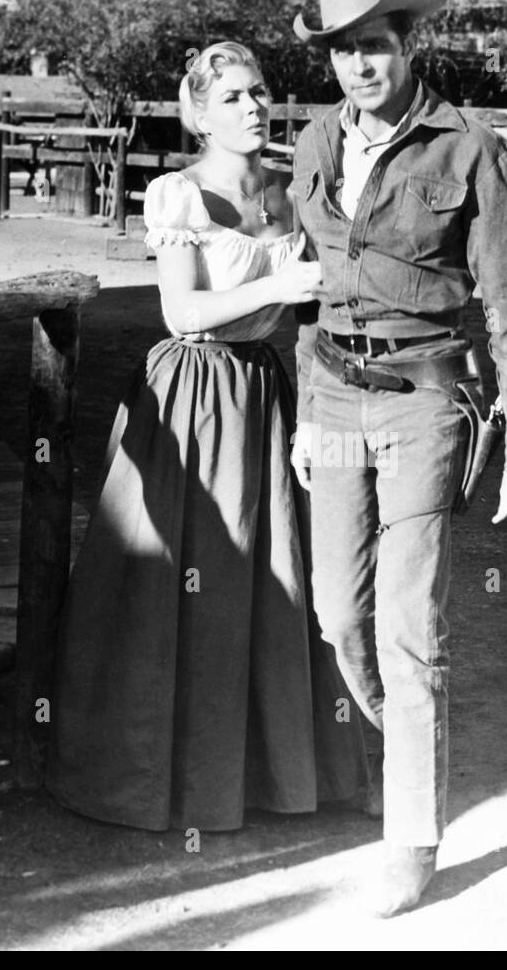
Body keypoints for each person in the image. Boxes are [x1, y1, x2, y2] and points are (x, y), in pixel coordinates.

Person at [46, 41, 367, 832]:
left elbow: (329, 302)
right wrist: (278, 284)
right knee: (186, 586)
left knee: (280, 580)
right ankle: (165, 779)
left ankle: (274, 772)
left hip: (265, 392)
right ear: (197, 113)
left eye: (259, 94)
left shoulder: (295, 189)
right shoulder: (177, 194)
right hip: (191, 397)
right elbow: (181, 312)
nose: (252, 108)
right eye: (230, 98)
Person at [290, 0, 507, 916]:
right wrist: (304, 409)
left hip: (425, 404)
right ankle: (407, 750)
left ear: (408, 46)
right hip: (331, 400)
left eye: (374, 45)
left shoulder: (472, 150)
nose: (359, 65)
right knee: (336, 616)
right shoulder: (316, 141)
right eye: (343, 49)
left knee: (408, 632)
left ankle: (412, 833)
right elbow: (315, 287)